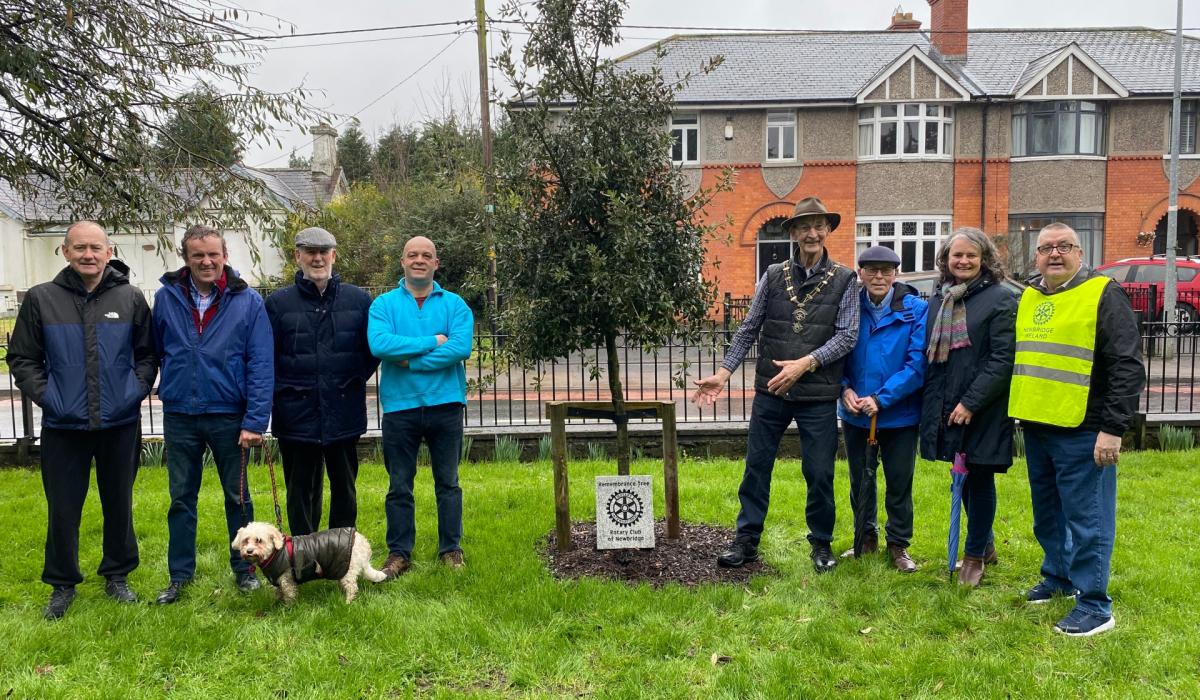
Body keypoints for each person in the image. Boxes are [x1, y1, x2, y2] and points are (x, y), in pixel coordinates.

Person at [693, 197, 859, 573]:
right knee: (756, 467)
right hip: (772, 392)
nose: (812, 233)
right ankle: (746, 542)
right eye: (804, 226)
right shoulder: (772, 275)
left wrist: (806, 363)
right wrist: (723, 372)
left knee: (819, 473)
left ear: (828, 230)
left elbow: (848, 336)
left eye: (818, 225)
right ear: (793, 233)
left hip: (818, 395)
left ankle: (821, 544)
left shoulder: (846, 280)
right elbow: (750, 327)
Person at [9, 221, 157, 619]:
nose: (88, 255)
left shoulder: (130, 298)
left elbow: (148, 356)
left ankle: (118, 575)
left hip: (120, 423)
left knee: (119, 504)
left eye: (96, 247)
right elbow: (22, 359)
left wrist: (132, 393)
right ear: (65, 251)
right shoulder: (42, 299)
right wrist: (51, 398)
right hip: (63, 426)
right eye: (80, 248)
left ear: (109, 252)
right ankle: (61, 584)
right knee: (62, 507)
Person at [1009, 223, 1143, 637]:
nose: (1054, 254)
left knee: (1089, 520)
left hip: (1084, 428)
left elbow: (1127, 364)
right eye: (1046, 248)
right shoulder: (1031, 296)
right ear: (1036, 257)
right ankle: (1059, 577)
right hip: (1038, 423)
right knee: (1048, 515)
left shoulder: (1104, 293)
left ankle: (1095, 604)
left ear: (1079, 253)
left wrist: (1113, 428)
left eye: (1063, 246)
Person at [151, 224, 274, 604]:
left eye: (213, 255)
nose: (206, 261)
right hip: (181, 413)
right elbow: (156, 351)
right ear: (185, 259)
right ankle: (179, 577)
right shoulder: (166, 298)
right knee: (180, 499)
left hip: (228, 415)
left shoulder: (248, 300)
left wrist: (255, 420)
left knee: (238, 498)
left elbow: (261, 362)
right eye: (198, 255)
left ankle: (245, 571)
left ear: (224, 256)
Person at [368, 236, 474, 577]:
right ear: (402, 262)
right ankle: (399, 553)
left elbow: (459, 348)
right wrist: (431, 341)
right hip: (400, 408)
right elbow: (380, 345)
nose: (419, 260)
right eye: (412, 255)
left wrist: (410, 362)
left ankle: (451, 549)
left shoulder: (456, 305)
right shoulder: (383, 305)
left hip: (446, 405)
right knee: (400, 484)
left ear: (435, 263)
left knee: (448, 482)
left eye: (426, 255)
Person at [919, 227, 1018, 587]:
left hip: (983, 407)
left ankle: (974, 556)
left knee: (979, 477)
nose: (962, 261)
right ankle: (986, 543)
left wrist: (970, 403)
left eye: (970, 255)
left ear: (984, 259)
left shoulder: (1000, 299)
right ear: (945, 259)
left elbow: (1002, 359)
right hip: (948, 402)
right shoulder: (941, 298)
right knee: (960, 476)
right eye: (956, 255)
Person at [265, 227, 378, 536]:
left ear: (333, 255)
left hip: (343, 410)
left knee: (345, 487)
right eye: (310, 252)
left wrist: (349, 380)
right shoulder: (278, 304)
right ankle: (304, 554)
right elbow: (267, 358)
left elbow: (371, 352)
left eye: (323, 252)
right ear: (298, 256)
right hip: (295, 413)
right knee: (301, 490)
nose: (317, 258)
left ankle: (340, 554)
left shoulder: (358, 300)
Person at [839, 246, 927, 573]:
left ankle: (899, 545)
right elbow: (837, 353)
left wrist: (881, 397)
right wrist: (844, 388)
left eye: (886, 271)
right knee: (860, 480)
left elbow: (917, 363)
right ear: (860, 273)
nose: (879, 276)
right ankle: (865, 537)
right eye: (871, 270)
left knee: (899, 481)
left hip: (899, 415)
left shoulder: (916, 310)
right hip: (855, 413)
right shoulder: (848, 307)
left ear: (896, 274)